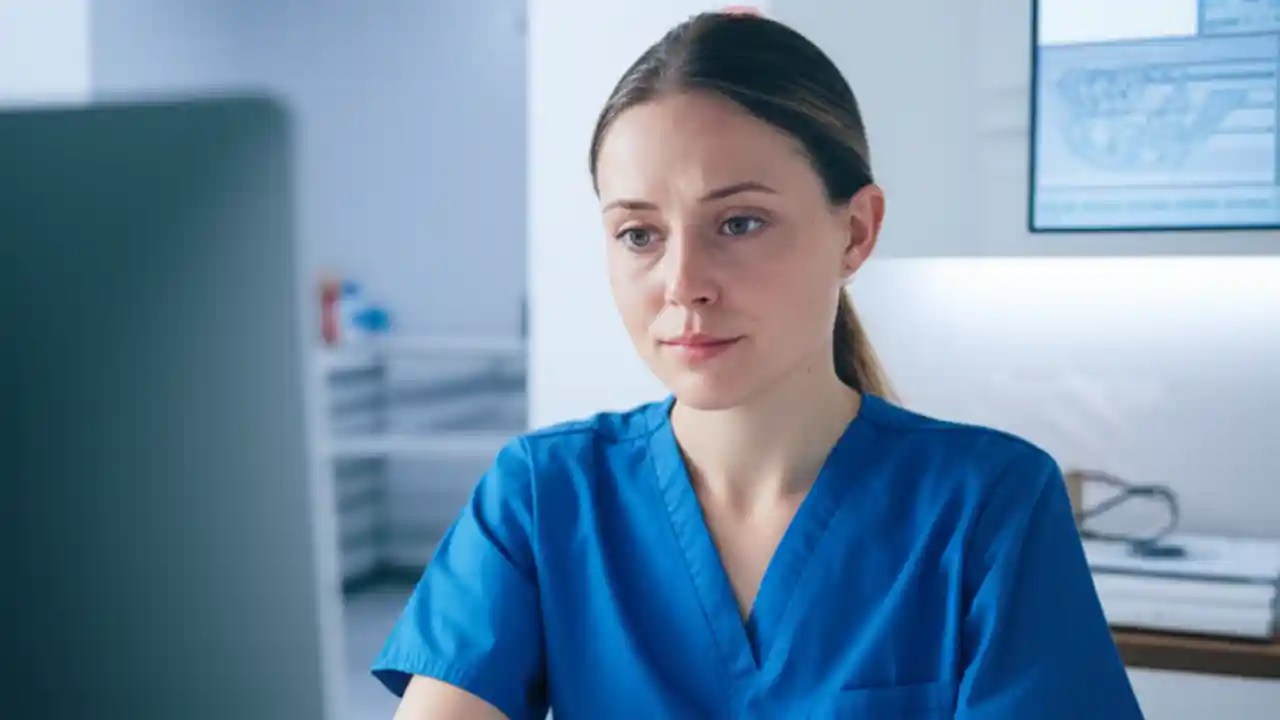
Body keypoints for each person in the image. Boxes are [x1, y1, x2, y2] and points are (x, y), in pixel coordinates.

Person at [373, 12, 1142, 720]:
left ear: (856, 231)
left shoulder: (986, 506)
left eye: (739, 223)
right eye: (639, 235)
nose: (682, 283)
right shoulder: (543, 498)